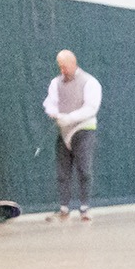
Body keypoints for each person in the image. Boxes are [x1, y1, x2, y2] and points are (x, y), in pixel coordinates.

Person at [43, 49, 101, 220]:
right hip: (64, 131)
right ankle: (64, 208)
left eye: (65, 67)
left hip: (83, 129)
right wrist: (53, 113)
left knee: (84, 169)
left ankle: (84, 207)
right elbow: (50, 102)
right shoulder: (56, 83)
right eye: (60, 67)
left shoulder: (90, 82)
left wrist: (69, 118)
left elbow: (91, 108)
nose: (62, 70)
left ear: (73, 63)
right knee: (63, 171)